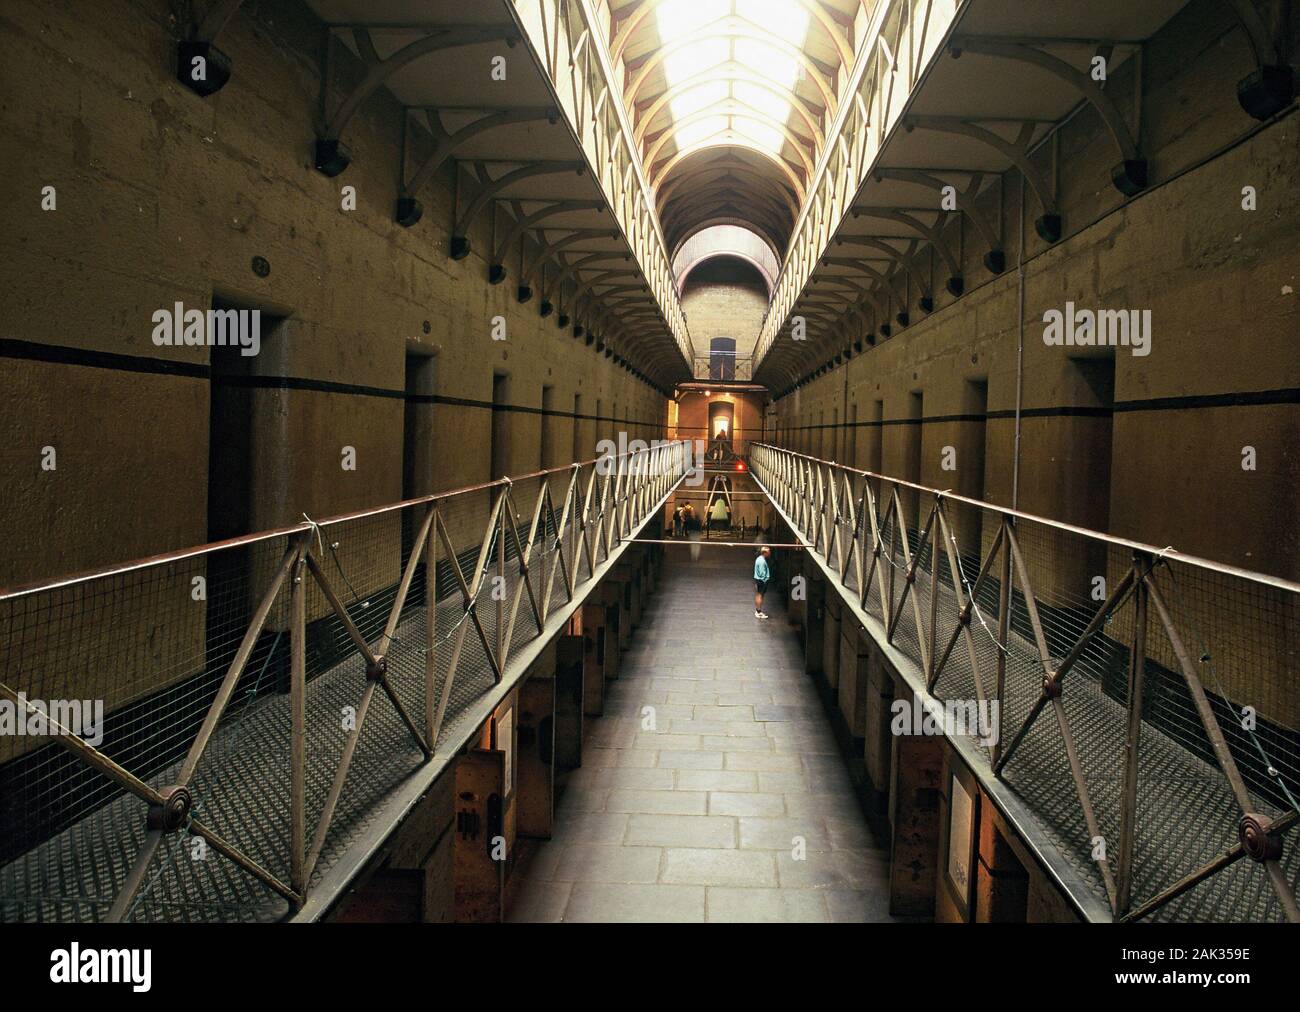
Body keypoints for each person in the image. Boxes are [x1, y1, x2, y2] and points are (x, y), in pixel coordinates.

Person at [753, 546, 771, 619]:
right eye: (769, 551)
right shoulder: (762, 561)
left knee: (758, 595)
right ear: (765, 553)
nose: (770, 553)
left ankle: (758, 610)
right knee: (760, 595)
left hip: (758, 580)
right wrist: (765, 579)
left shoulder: (759, 559)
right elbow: (762, 573)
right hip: (761, 581)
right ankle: (759, 612)